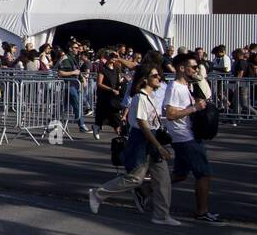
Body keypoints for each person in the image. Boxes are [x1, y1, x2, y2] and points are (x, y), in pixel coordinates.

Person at [89, 66, 177, 225]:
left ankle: (162, 215)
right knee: (135, 178)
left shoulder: (151, 96)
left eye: (159, 75)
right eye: (155, 76)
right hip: (142, 141)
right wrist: (159, 146)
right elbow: (143, 125)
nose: (159, 78)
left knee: (163, 179)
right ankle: (97, 194)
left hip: (152, 138)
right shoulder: (140, 98)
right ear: (145, 79)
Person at [163, 53, 221, 223]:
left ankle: (144, 190)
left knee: (180, 174)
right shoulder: (174, 87)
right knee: (203, 174)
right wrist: (194, 108)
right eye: (194, 67)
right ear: (182, 68)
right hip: (184, 136)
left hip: (187, 134)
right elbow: (171, 114)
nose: (197, 69)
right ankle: (202, 212)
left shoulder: (186, 86)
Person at [55, 42, 89, 133]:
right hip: (69, 85)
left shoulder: (74, 58)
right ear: (70, 48)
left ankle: (52, 122)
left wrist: (83, 79)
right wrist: (73, 73)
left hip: (74, 84)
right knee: (77, 104)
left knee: (64, 106)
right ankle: (82, 125)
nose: (78, 49)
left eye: (78, 47)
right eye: (76, 47)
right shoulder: (66, 58)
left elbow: (77, 71)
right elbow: (60, 73)